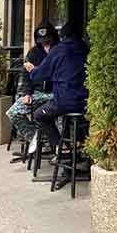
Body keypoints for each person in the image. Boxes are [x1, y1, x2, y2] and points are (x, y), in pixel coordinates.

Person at [25, 23, 88, 153]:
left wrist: (32, 70)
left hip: (64, 101)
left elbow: (40, 74)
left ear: (62, 36)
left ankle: (62, 149)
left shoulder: (58, 50)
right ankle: (78, 151)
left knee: (39, 115)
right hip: (86, 102)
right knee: (67, 119)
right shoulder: (85, 48)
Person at [6, 32, 58, 141]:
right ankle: (36, 138)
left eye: (47, 41)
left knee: (57, 118)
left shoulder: (59, 51)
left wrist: (35, 70)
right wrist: (26, 93)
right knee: (13, 112)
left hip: (56, 93)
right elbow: (25, 75)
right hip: (37, 93)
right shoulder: (33, 52)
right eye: (42, 41)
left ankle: (55, 141)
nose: (45, 44)